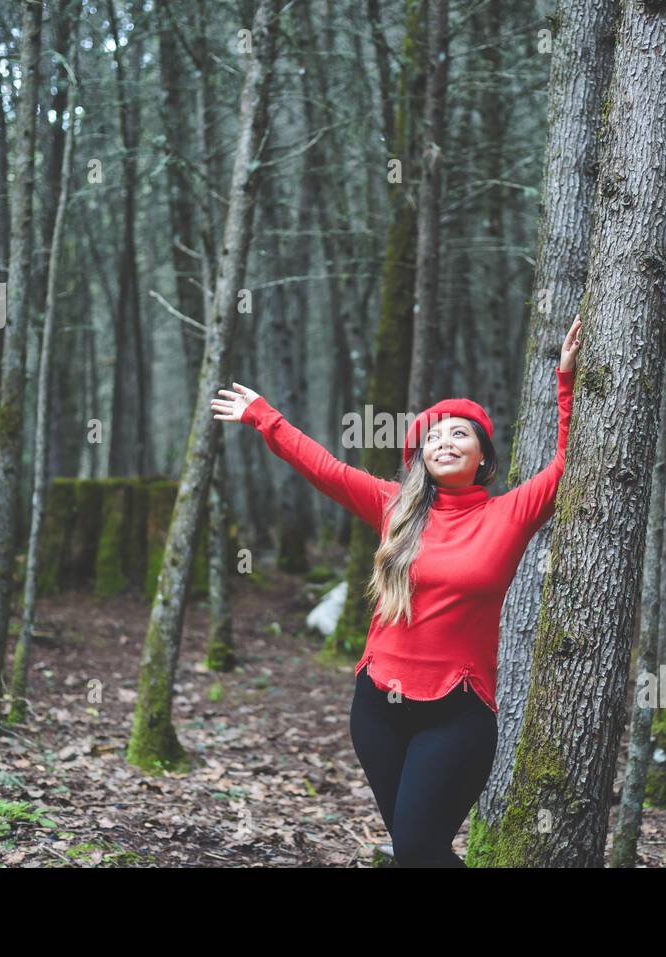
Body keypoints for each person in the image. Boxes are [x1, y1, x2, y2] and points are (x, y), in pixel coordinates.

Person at [211, 316, 582, 866]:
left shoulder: (508, 514)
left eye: (460, 433)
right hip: (377, 707)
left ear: (483, 456)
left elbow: (568, 463)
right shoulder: (395, 509)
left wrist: (566, 382)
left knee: (415, 848)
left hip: (458, 714)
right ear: (422, 460)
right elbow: (327, 469)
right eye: (433, 436)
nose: (444, 442)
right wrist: (266, 418)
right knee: (419, 851)